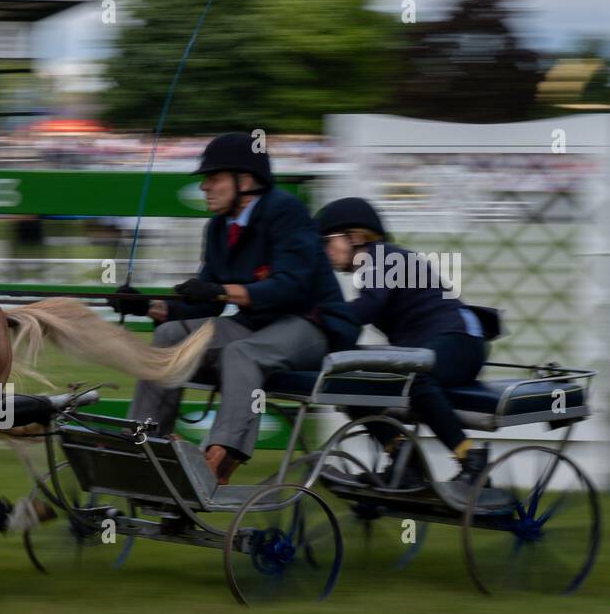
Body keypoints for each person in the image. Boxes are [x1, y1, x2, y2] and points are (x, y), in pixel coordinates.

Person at [116, 132, 360, 484]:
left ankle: (219, 460)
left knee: (241, 354)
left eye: (213, 178)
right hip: (258, 324)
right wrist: (146, 306)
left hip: (312, 324)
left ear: (244, 181)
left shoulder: (285, 211)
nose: (204, 187)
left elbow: (291, 287)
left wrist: (220, 292)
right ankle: (145, 442)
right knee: (170, 336)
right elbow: (200, 304)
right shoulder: (217, 229)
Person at [314, 197, 490, 494]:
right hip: (434, 344)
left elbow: (366, 308)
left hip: (461, 339)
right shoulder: (371, 268)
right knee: (350, 385)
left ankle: (472, 459)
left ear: (355, 237)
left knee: (414, 377)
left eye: (327, 242)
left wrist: (317, 317)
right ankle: (403, 459)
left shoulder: (383, 256)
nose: (324, 252)